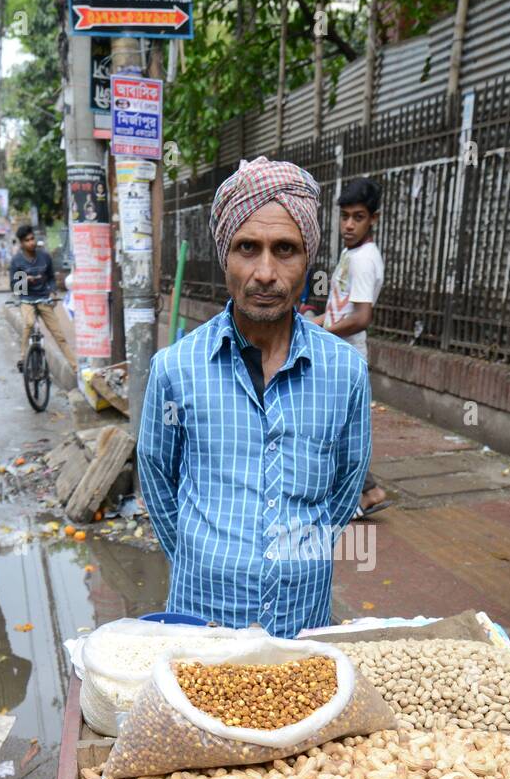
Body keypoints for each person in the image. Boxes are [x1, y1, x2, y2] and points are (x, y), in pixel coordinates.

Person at [138, 155, 371, 638]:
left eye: (285, 249)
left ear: (307, 259)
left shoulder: (345, 371)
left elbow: (346, 490)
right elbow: (157, 478)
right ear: (225, 255)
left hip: (302, 621)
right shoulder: (175, 369)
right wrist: (203, 555)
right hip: (201, 618)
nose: (266, 272)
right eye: (248, 247)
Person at [315, 177, 389, 517]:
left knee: (337, 430)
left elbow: (361, 317)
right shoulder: (351, 252)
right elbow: (341, 307)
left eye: (357, 217)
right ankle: (363, 491)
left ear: (373, 218)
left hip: (347, 358)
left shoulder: (364, 259)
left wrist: (325, 329)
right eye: (344, 216)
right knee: (336, 428)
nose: (348, 224)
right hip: (336, 353)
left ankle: (368, 491)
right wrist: (313, 322)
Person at [9, 222, 76, 370]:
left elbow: (51, 277)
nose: (31, 242)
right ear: (21, 243)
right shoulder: (17, 261)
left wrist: (52, 291)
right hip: (27, 299)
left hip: (44, 299)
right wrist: (25, 280)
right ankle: (24, 357)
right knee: (29, 324)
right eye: (27, 240)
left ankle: (75, 366)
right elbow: (15, 287)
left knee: (59, 335)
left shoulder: (44, 256)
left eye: (32, 238)